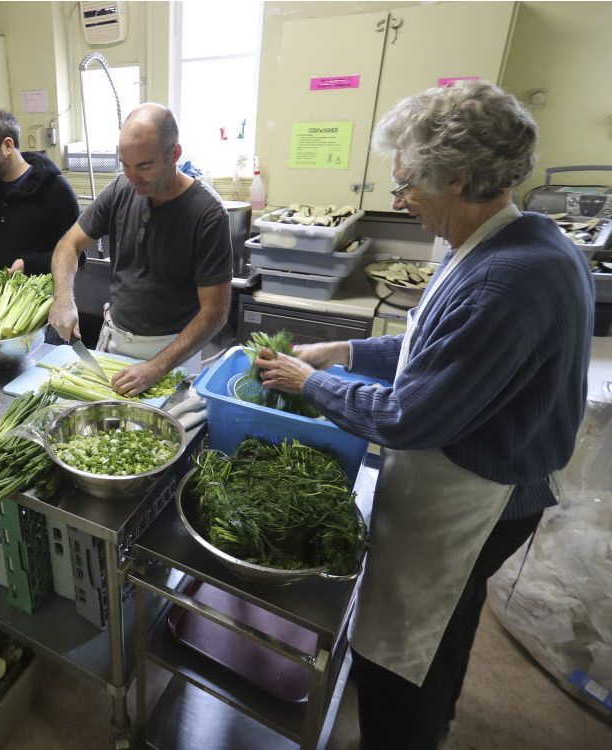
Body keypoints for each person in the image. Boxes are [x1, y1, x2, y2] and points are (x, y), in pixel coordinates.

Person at [253, 81, 594, 748]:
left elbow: (410, 417)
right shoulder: (506, 239)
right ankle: (430, 718)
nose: (399, 198)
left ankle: (404, 734)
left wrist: (306, 381)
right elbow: (431, 346)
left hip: (476, 493)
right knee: (447, 621)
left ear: (459, 177)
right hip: (481, 474)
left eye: (408, 183)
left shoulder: (509, 277)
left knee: (406, 641)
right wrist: (344, 348)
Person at [48, 103, 232, 396]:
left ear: (174, 154)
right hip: (116, 342)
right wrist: (63, 300)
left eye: (144, 166)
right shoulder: (122, 188)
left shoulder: (207, 214)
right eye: (125, 164)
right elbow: (68, 245)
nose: (132, 176)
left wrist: (154, 369)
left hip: (173, 355)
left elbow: (215, 314)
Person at [0, 108, 80, 279]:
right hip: (2, 294)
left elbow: (77, 256)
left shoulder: (56, 188)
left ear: (8, 146)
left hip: (39, 298)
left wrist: (28, 264)